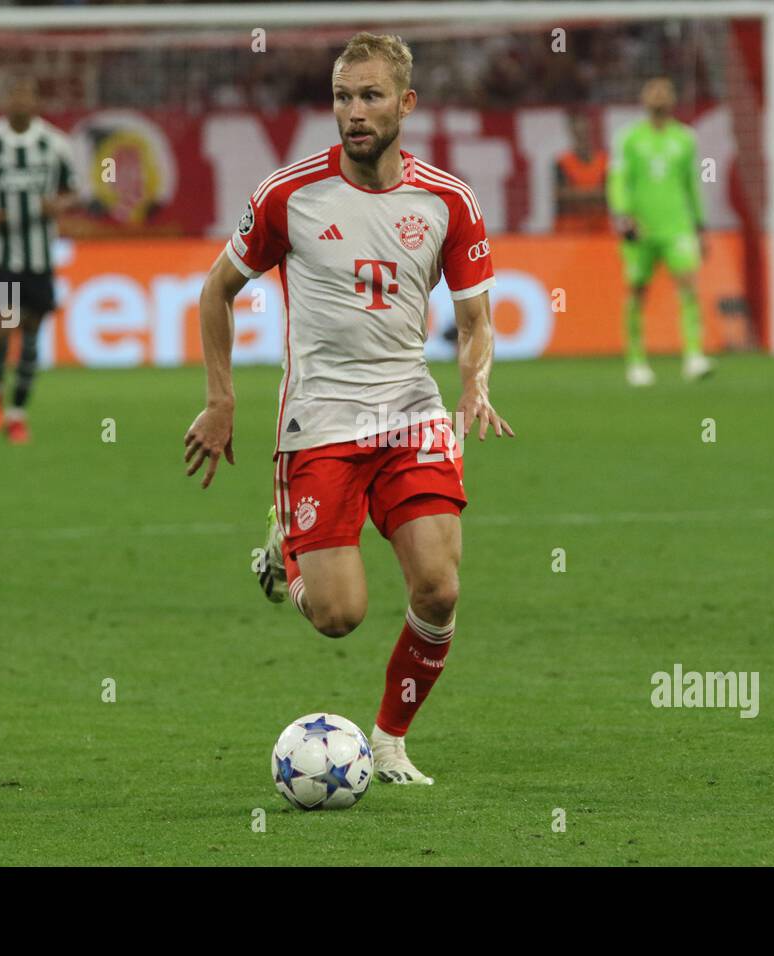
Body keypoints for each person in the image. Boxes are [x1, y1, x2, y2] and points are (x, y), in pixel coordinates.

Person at [185, 32, 513, 786]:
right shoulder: (289, 195)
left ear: (407, 103)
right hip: (322, 420)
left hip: (410, 412)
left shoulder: (448, 202)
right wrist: (221, 397)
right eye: (342, 97)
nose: (354, 113)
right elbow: (216, 292)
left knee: (439, 586)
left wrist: (476, 385)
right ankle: (284, 549)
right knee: (339, 616)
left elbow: (475, 320)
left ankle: (391, 740)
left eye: (369, 97)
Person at [0, 76, 77, 444]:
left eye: (27, 93)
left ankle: (17, 413)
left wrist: (58, 205)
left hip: (40, 257)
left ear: (35, 100)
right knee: (3, 327)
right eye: (15, 93)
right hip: (2, 254)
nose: (21, 100)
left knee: (33, 335)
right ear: (5, 100)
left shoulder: (54, 144)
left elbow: (72, 190)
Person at [607, 77, 712, 386]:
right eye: (653, 91)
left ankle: (694, 356)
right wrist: (623, 215)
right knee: (638, 291)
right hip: (641, 227)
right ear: (644, 99)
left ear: (672, 99)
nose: (658, 96)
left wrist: (700, 225)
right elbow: (618, 180)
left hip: (677, 225)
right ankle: (636, 360)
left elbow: (692, 185)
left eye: (664, 91)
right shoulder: (629, 138)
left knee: (688, 285)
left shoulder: (685, 139)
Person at [553, 112, 608, 233]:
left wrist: (577, 194)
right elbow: (560, 196)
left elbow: (610, 193)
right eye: (578, 133)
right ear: (572, 134)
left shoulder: (604, 160)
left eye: (585, 132)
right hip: (571, 229)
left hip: (601, 228)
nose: (582, 136)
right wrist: (595, 195)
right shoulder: (563, 162)